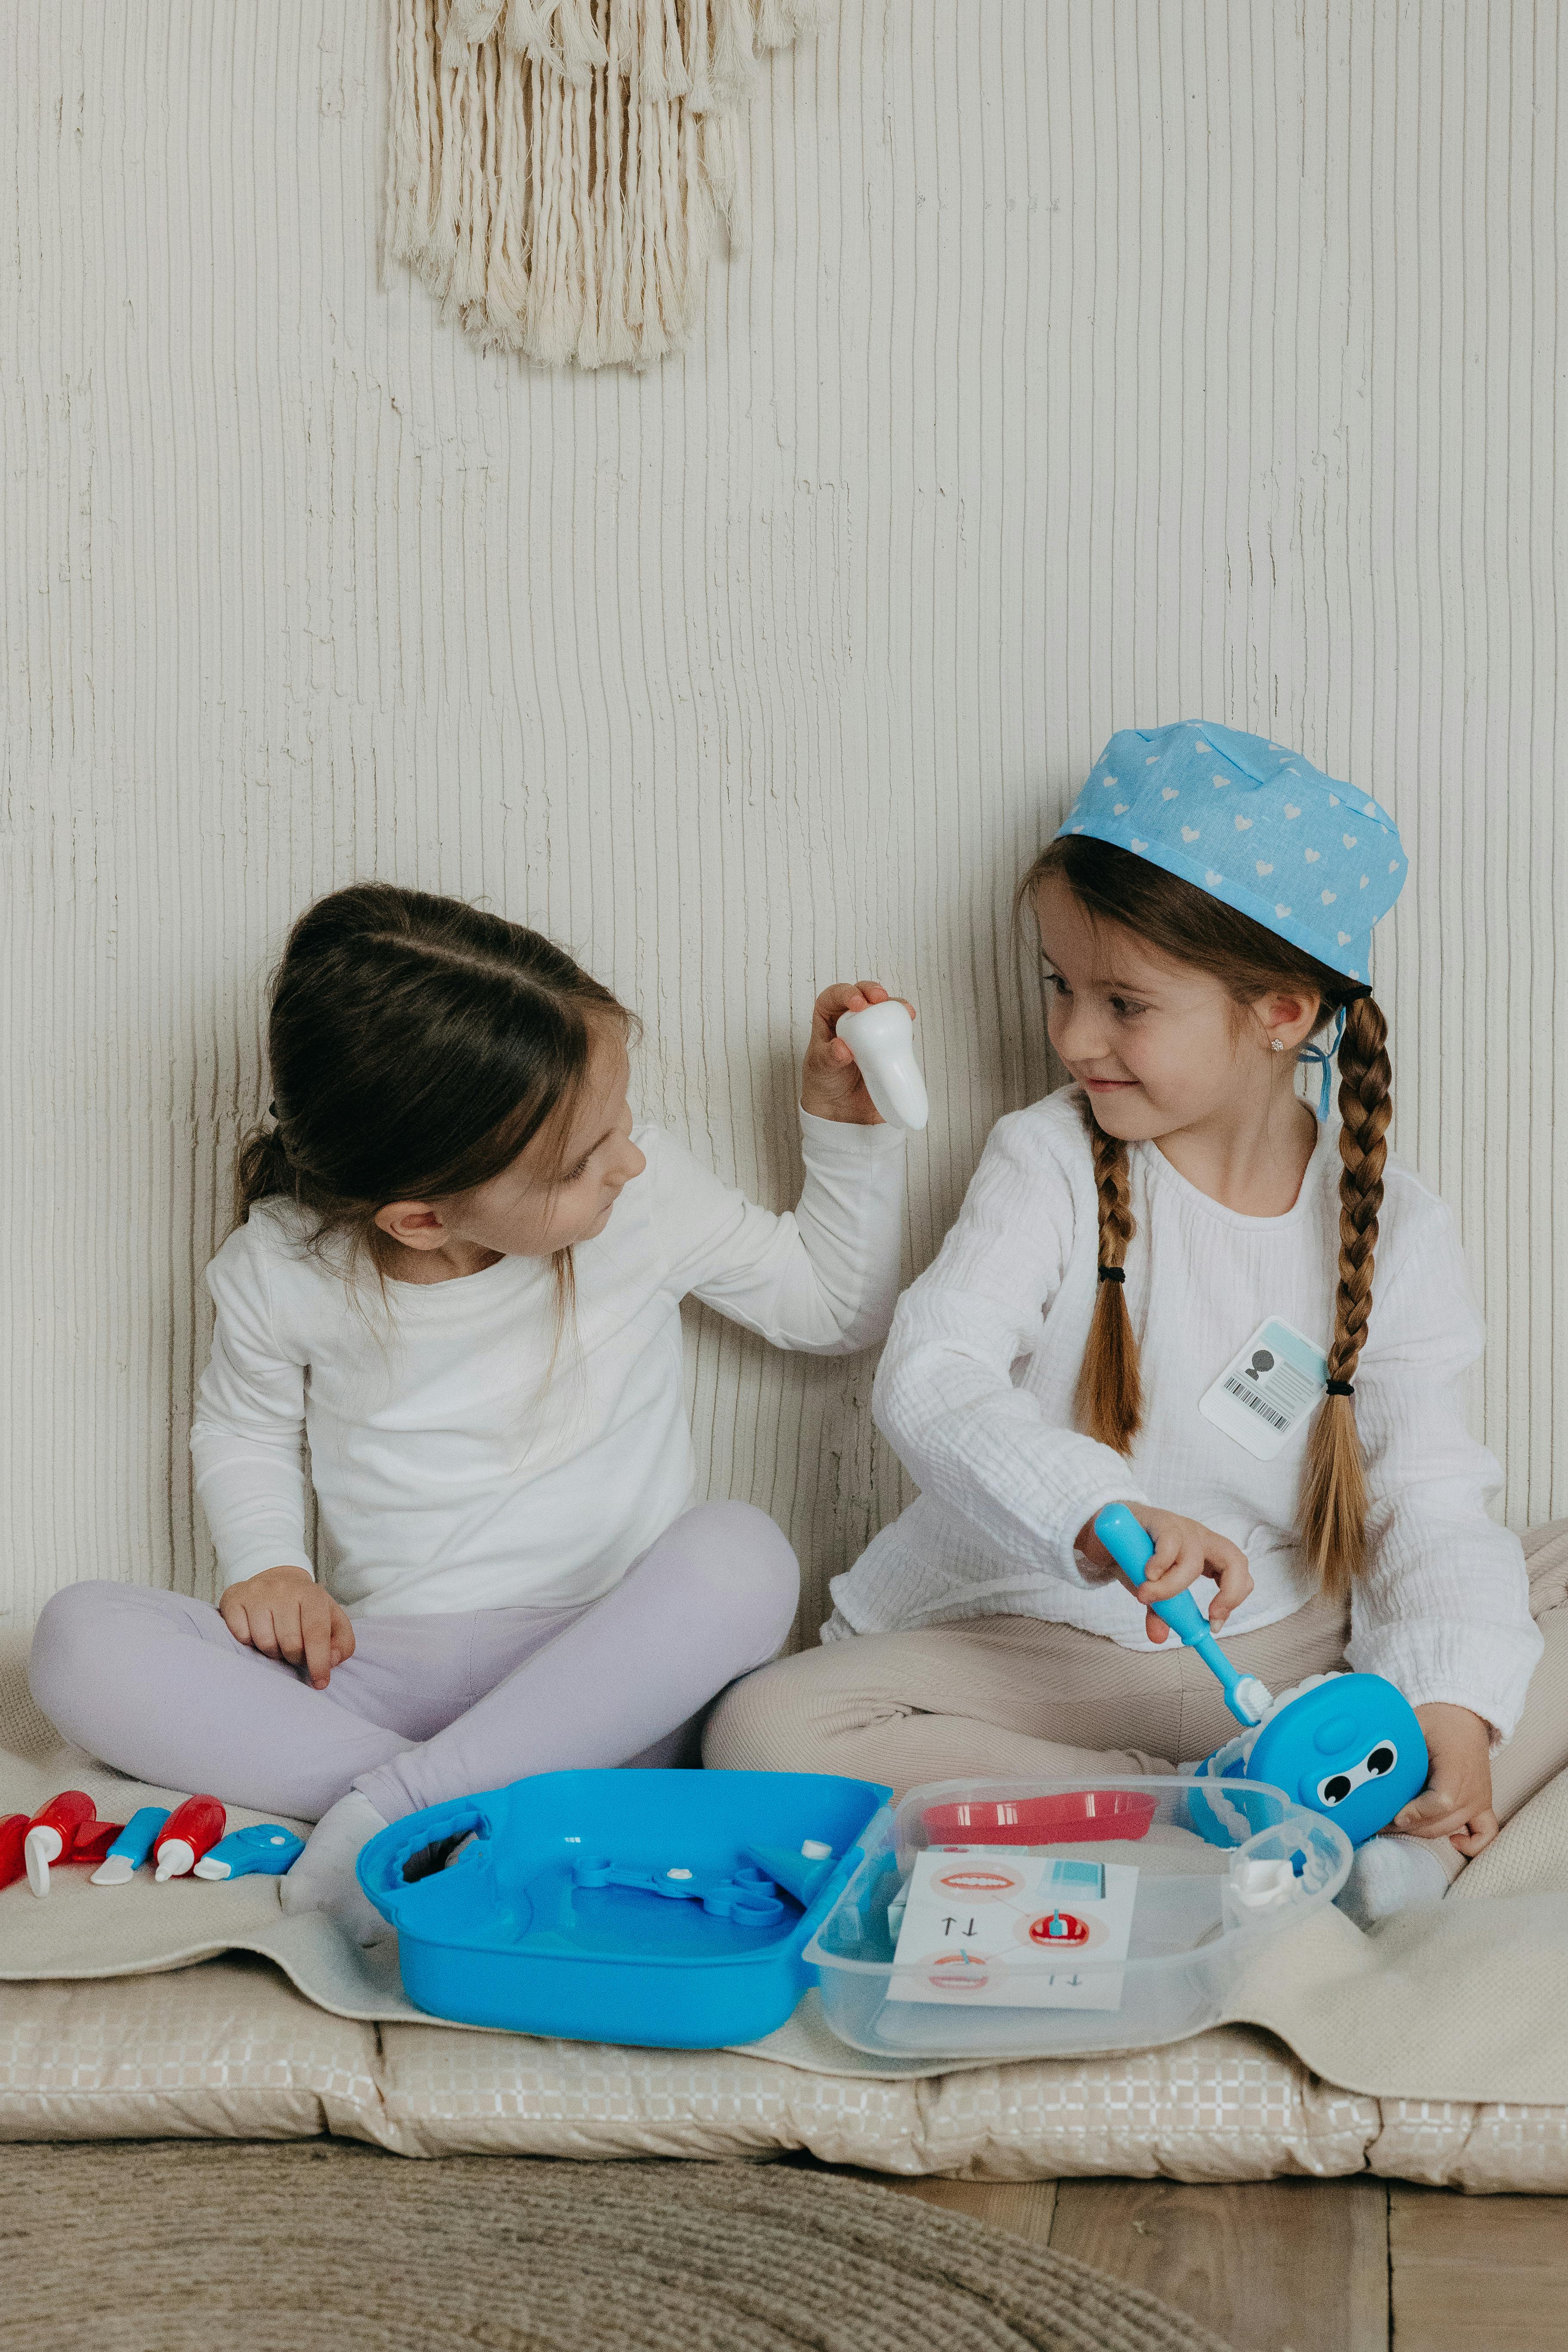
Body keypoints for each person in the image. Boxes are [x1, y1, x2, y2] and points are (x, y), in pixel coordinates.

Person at [706, 720, 1568, 1925]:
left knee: (1525, 1587)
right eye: (1060, 985)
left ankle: (1384, 1803)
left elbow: (1425, 1492)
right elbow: (934, 1373)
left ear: (1279, 1009)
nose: (1071, 1037)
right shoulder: (1045, 1159)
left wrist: (1454, 1711)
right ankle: (1229, 1822)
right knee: (765, 1729)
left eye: (1125, 1002)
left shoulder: (1397, 1227)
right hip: (1031, 1655)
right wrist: (1094, 1511)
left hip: (1273, 1656)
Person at [30, 884, 910, 1939]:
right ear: (419, 1217)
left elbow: (830, 1308)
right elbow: (242, 1428)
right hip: (374, 1674)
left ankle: (395, 1814)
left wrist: (845, 1130)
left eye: (622, 1126)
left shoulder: (643, 1199)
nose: (627, 1161)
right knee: (75, 1640)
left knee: (743, 1553)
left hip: (607, 1676)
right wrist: (269, 1563)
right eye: (587, 1161)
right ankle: (462, 1802)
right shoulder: (282, 1267)